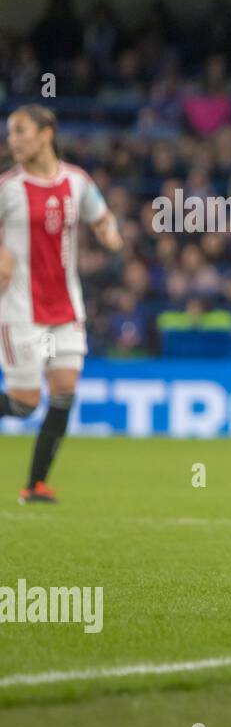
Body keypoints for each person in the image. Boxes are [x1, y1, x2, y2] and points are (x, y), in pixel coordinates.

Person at [0, 105, 123, 503]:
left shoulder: (77, 181)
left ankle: (35, 485)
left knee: (65, 389)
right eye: (10, 132)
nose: (13, 140)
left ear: (46, 134)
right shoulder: (8, 187)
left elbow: (102, 216)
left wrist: (109, 233)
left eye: (20, 130)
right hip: (20, 311)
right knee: (24, 404)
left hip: (66, 310)